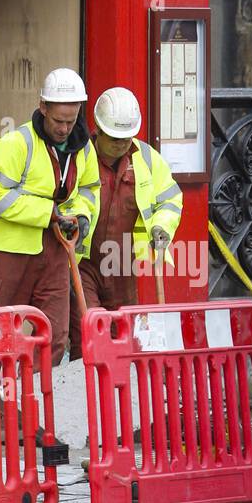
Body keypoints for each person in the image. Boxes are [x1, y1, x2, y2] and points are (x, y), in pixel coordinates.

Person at [0, 68, 99, 365]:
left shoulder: (83, 148)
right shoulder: (15, 144)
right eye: (58, 121)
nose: (64, 129)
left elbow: (89, 189)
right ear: (43, 107)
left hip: (56, 253)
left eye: (71, 121)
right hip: (10, 252)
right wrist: (49, 213)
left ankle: (33, 402)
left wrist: (81, 215)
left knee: (55, 337)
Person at [68, 85, 183, 361]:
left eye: (126, 138)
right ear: (99, 130)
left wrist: (162, 226)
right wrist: (77, 219)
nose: (121, 144)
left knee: (127, 336)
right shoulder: (79, 156)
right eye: (115, 138)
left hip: (121, 264)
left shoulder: (146, 159)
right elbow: (66, 198)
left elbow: (169, 199)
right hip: (83, 263)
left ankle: (125, 398)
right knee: (87, 336)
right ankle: (86, 397)